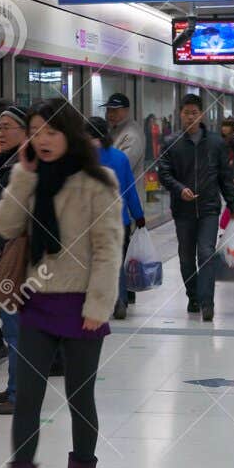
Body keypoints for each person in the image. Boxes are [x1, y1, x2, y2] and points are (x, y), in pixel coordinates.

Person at [0, 99, 122, 468]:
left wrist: (99, 304)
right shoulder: (31, 176)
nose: (42, 140)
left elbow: (108, 249)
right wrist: (22, 175)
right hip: (35, 303)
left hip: (81, 306)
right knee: (27, 399)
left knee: (80, 398)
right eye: (37, 131)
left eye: (51, 131)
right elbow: (3, 226)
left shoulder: (99, 181)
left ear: (70, 135)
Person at [156, 94, 234, 322]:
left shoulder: (215, 143)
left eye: (195, 112)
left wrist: (232, 203)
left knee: (205, 252)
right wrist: (179, 188)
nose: (191, 117)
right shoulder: (171, 142)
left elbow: (225, 176)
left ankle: (207, 302)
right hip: (182, 211)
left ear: (201, 114)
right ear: (180, 115)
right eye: (186, 113)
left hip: (209, 208)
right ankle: (193, 296)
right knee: (185, 257)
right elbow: (163, 173)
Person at [0, 104, 28, 414]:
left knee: (15, 326)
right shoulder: (9, 162)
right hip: (10, 253)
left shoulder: (19, 167)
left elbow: (12, 215)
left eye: (6, 126)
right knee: (12, 323)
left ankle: (18, 393)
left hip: (15, 255)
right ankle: (14, 386)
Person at [88, 116, 145, 321]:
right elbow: (130, 190)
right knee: (116, 263)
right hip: (118, 221)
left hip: (89, 222)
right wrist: (138, 216)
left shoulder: (82, 158)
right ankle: (120, 301)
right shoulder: (120, 157)